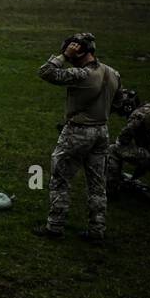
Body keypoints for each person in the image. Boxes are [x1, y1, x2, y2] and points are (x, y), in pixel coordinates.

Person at [33, 32, 122, 243]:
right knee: (97, 184)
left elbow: (45, 72)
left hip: (78, 131)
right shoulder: (113, 73)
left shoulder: (80, 75)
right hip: (102, 132)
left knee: (61, 179)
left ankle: (55, 226)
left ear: (79, 50)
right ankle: (97, 230)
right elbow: (118, 102)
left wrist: (63, 56)